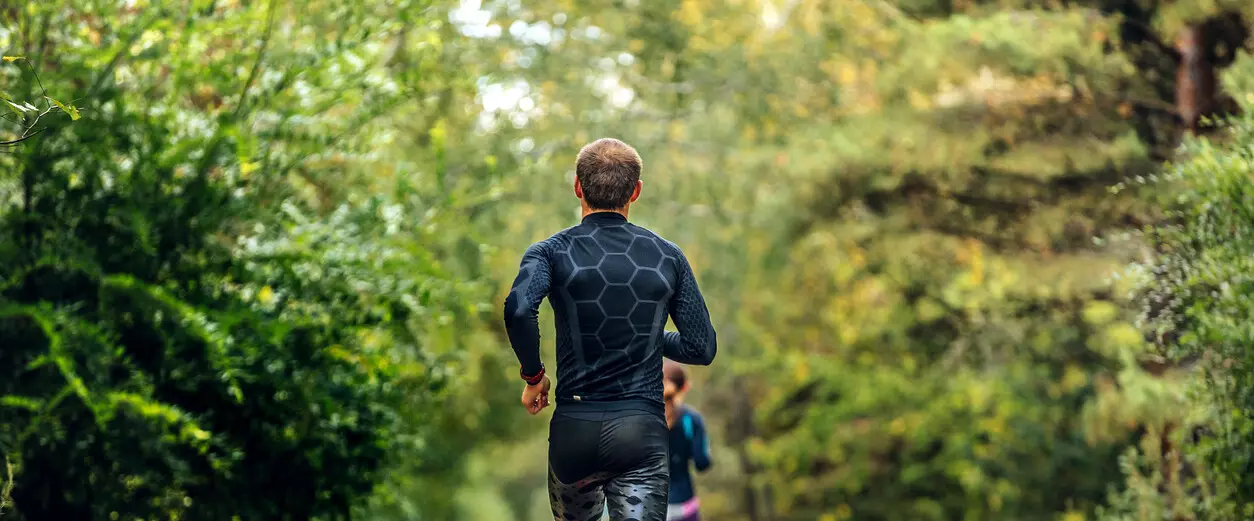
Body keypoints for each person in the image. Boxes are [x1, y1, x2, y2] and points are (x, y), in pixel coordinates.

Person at [503, 137, 718, 521]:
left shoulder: (550, 252)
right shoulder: (668, 256)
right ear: (635, 191)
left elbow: (520, 310)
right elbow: (701, 347)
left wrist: (534, 377)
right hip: (641, 434)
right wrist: (652, 338)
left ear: (577, 186)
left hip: (574, 431)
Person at [663, 360, 712, 521]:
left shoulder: (646, 419)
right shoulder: (692, 419)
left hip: (651, 504)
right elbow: (702, 462)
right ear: (685, 387)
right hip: (684, 506)